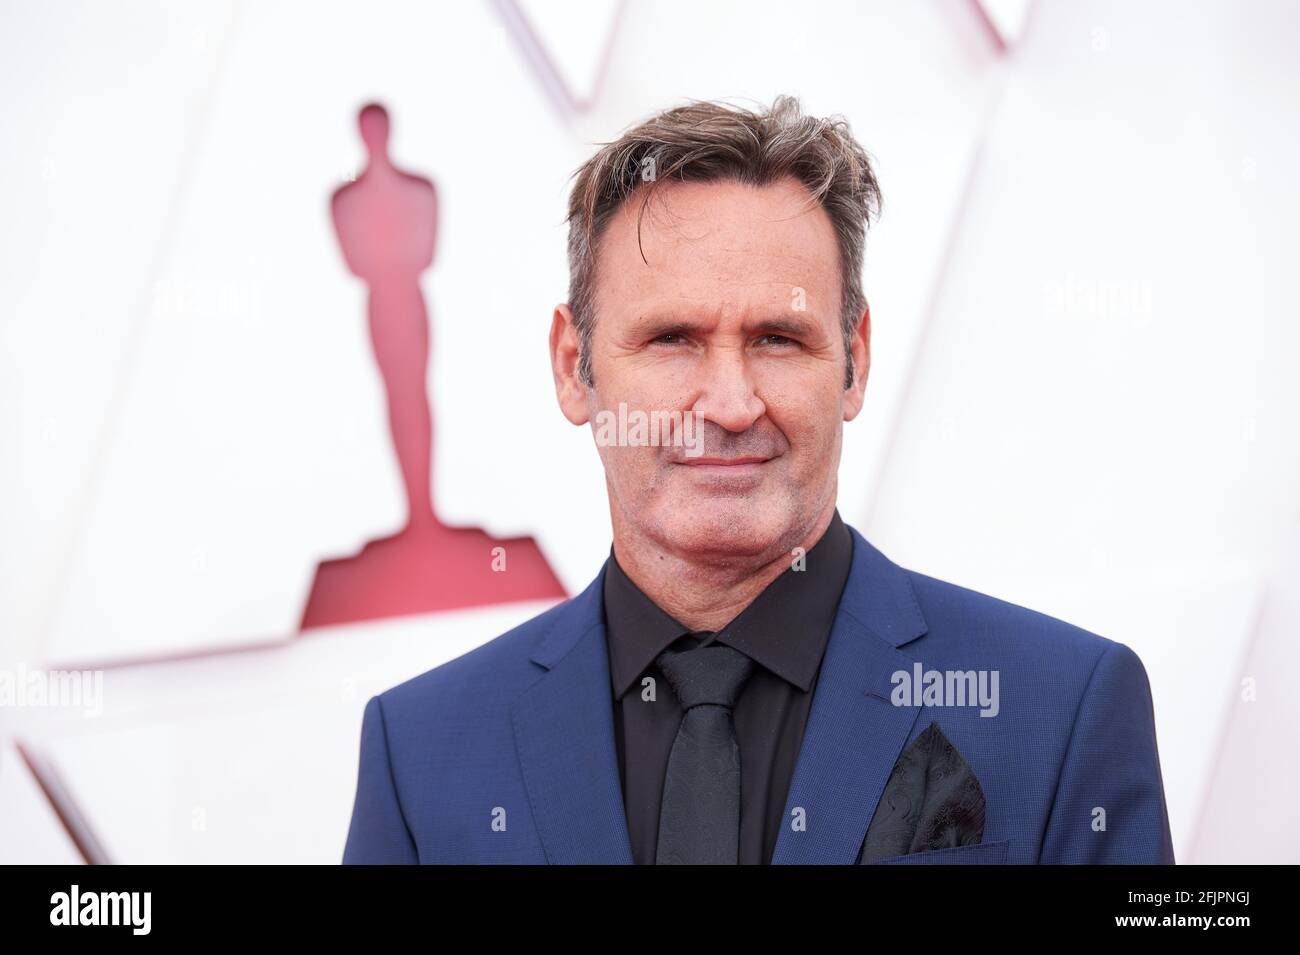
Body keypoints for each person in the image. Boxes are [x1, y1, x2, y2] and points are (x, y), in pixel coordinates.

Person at [342, 95, 1175, 864]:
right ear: (574, 367)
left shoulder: (1060, 708)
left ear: (855, 361)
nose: (733, 404)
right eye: (672, 338)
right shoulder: (419, 755)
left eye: (779, 338)